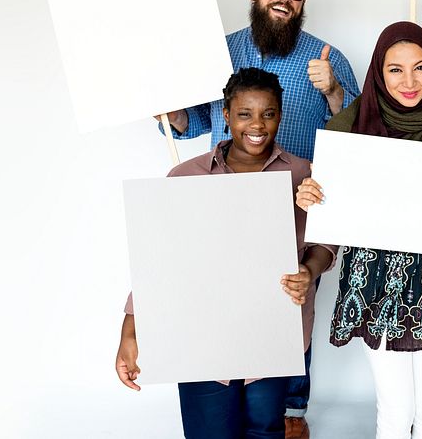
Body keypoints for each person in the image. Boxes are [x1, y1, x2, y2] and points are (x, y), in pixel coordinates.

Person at [156, 0, 360, 437]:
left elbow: (361, 130)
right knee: (228, 305)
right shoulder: (218, 52)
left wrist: (333, 92)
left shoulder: (327, 57)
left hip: (297, 201)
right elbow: (197, 124)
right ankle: (228, 394)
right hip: (222, 207)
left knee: (291, 298)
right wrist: (169, 108)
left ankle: (291, 409)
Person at [116, 68, 338, 439]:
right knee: (211, 432)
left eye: (268, 113)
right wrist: (130, 331)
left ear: (281, 114)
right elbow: (158, 260)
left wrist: (307, 270)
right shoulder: (186, 176)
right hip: (200, 337)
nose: (258, 125)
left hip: (271, 332)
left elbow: (327, 243)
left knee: (264, 431)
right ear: (225, 115)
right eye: (244, 114)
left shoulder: (303, 173)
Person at [294, 21, 422, 439]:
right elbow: (330, 204)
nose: (409, 81)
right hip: (374, 282)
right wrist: (312, 196)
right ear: (378, 71)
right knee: (394, 409)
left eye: (420, 68)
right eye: (395, 69)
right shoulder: (349, 127)